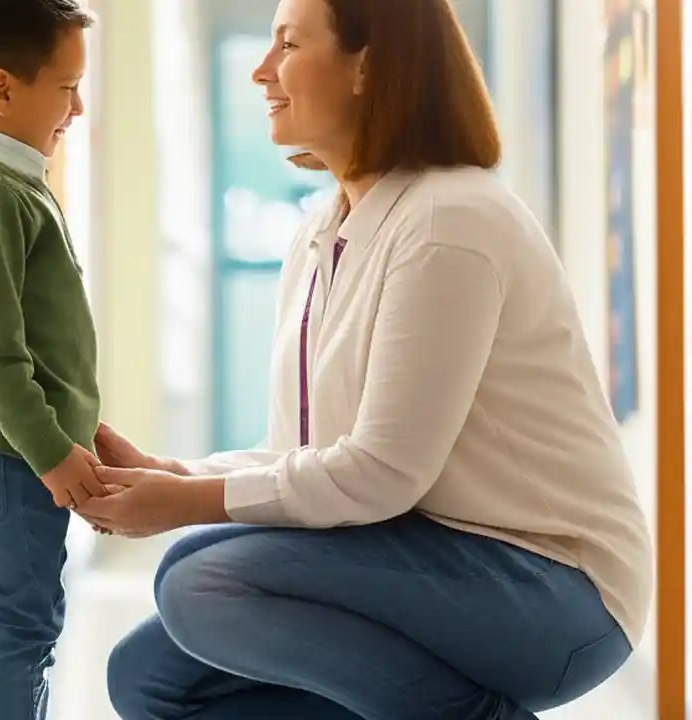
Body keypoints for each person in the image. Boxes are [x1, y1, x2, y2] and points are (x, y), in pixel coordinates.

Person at [82, 0, 653, 717]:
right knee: (148, 678)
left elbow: (382, 476)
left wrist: (184, 507)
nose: (262, 72)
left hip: (557, 585)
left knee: (201, 581)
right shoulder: (323, 233)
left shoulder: (451, 221)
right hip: (426, 553)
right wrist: (177, 475)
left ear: (368, 65)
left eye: (288, 44)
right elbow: (308, 455)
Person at [0, 1, 106, 717]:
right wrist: (53, 454)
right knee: (22, 632)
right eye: (66, 88)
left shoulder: (13, 185)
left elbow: (41, 340)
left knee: (32, 626)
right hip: (13, 454)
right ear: (3, 90)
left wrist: (77, 436)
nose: (79, 108)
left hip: (24, 450)